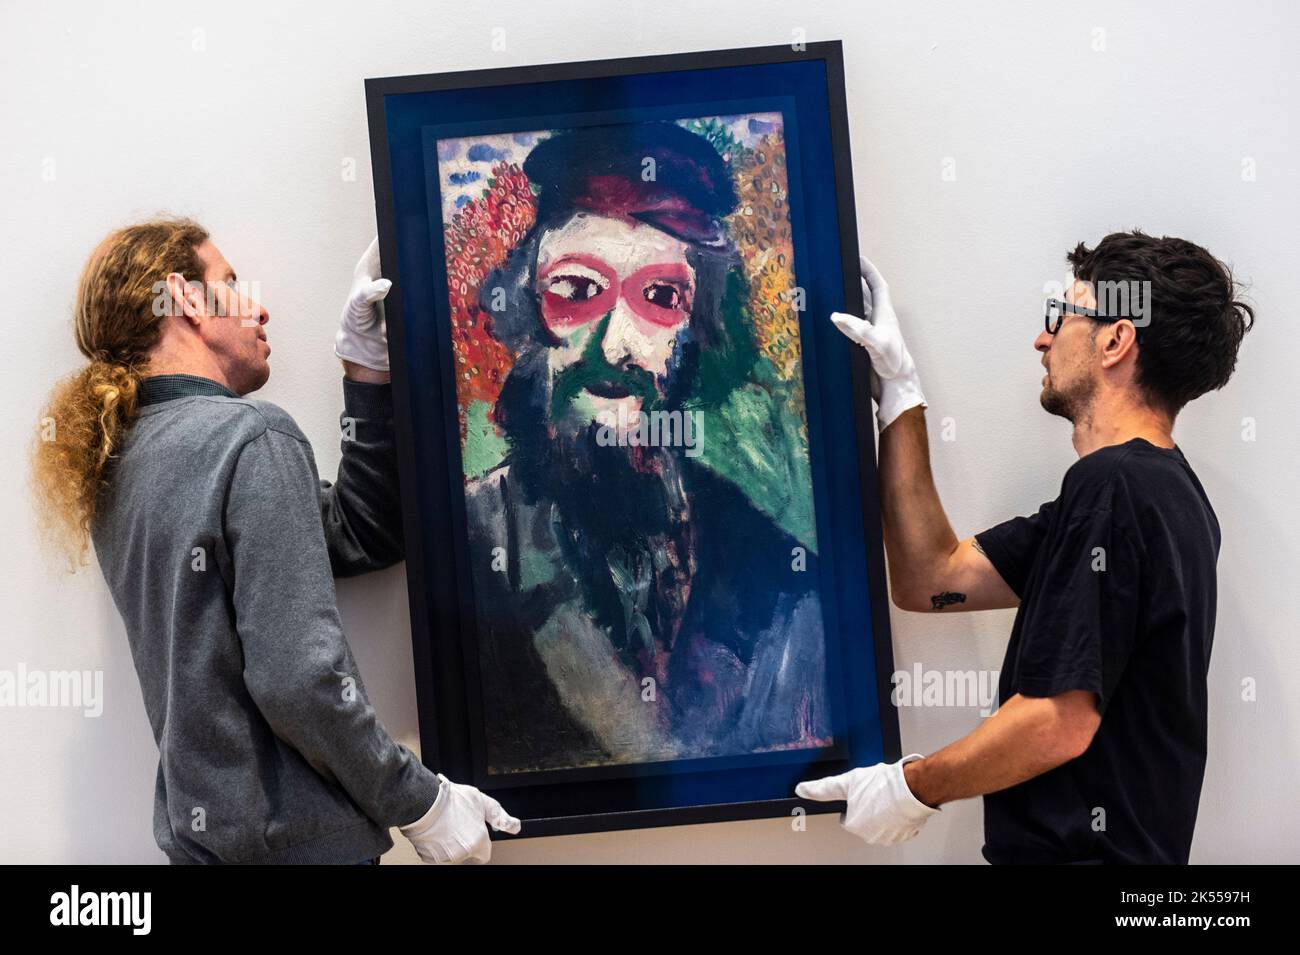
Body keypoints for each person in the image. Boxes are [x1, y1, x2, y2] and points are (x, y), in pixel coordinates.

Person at [29, 218, 519, 863]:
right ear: (184, 300)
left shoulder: (124, 457)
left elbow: (357, 535)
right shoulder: (250, 437)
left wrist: (364, 371)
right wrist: (421, 804)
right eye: (231, 283)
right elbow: (301, 678)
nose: (259, 307)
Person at [799, 232, 1253, 864]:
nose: (1043, 340)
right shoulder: (1160, 495)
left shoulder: (1114, 488)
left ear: (1115, 340)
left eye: (1060, 317)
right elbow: (931, 578)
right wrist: (902, 394)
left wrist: (909, 788)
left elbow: (1058, 722)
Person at [463, 122, 831, 774]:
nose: (614, 346)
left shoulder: (780, 578)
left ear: (701, 330)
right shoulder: (467, 541)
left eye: (661, 297)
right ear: (528, 310)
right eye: (577, 290)